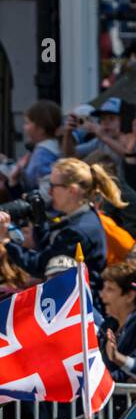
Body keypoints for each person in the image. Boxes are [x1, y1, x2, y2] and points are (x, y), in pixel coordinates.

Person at [0, 157, 111, 289]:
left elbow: (40, 265)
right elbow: (48, 248)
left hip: (81, 303)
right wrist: (38, 220)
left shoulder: (78, 231)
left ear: (72, 190)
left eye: (53, 186)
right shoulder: (84, 214)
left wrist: (6, 241)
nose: (49, 192)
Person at [3, 100, 62, 194]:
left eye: (27, 123)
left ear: (41, 129)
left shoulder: (42, 155)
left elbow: (44, 197)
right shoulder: (52, 148)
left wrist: (13, 181)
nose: (24, 127)